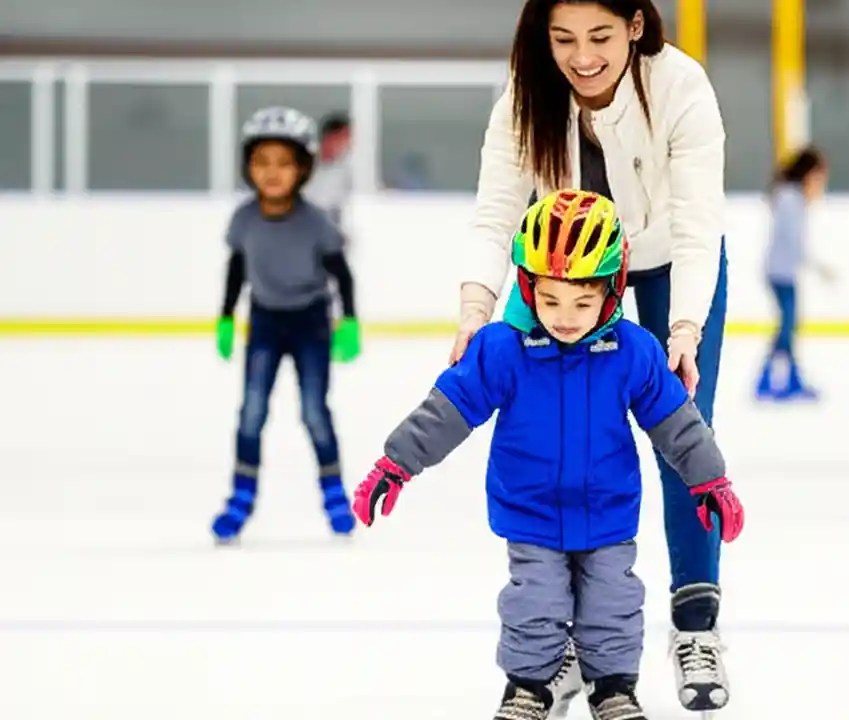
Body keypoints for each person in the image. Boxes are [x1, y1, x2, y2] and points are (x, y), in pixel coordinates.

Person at [352, 190, 744, 720]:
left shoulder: (633, 352)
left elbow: (677, 424)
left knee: (613, 605)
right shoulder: (502, 350)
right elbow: (447, 411)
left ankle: (612, 690)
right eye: (550, 299)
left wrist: (709, 480)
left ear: (611, 292)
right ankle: (528, 688)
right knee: (533, 602)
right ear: (527, 286)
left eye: (582, 303)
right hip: (530, 511)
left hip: (606, 512)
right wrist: (395, 464)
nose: (565, 317)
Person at [449, 1, 731, 712]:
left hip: (670, 260)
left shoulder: (681, 87)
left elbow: (700, 227)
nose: (581, 57)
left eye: (601, 37)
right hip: (562, 271)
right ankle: (569, 638)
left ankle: (696, 624)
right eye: (563, 38)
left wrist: (686, 330)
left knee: (681, 430)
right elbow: (496, 210)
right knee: (550, 436)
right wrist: (476, 312)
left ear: (636, 25)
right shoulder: (526, 94)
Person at [211, 106, 363, 543]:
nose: (272, 173)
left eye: (284, 163)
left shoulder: (315, 221)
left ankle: (334, 493)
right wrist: (225, 317)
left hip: (311, 323)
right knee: (252, 411)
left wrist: (349, 321)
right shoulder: (244, 219)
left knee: (315, 411)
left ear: (303, 169)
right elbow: (237, 268)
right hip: (264, 321)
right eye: (262, 163)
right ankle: (240, 498)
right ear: (248, 168)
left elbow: (342, 272)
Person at [756, 146, 835, 401]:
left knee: (789, 326)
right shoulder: (790, 199)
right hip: (780, 272)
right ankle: (770, 378)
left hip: (784, 271)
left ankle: (788, 378)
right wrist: (817, 266)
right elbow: (792, 240)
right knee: (788, 326)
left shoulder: (793, 198)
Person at [305, 112, 354, 236]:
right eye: (344, 137)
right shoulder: (304, 164)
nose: (347, 143)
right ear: (330, 137)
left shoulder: (345, 170)